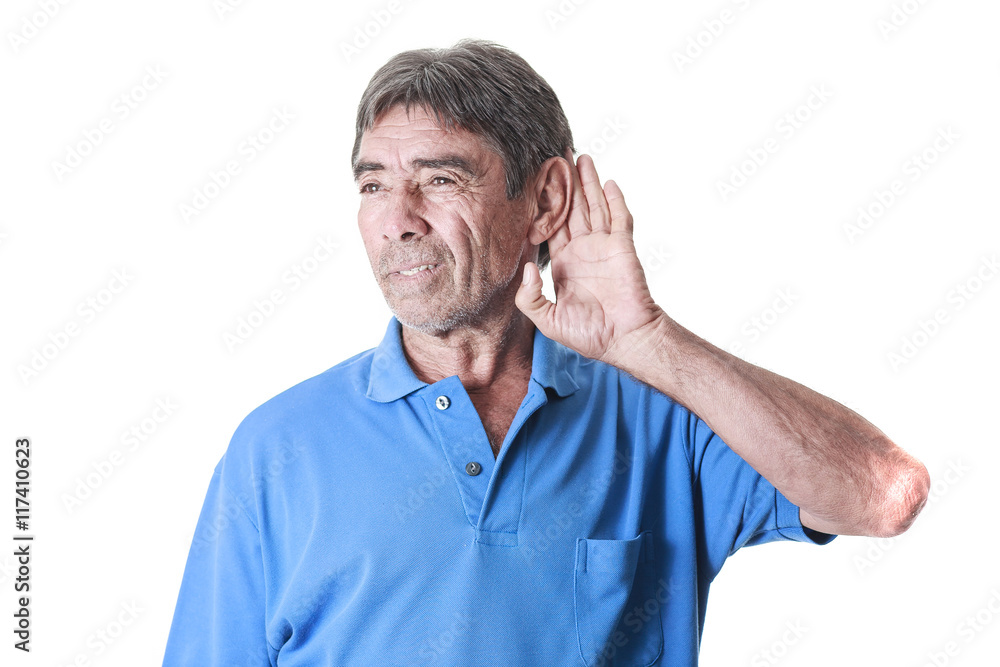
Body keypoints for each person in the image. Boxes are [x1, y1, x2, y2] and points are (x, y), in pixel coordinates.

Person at [162, 39, 930, 666]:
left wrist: (652, 342)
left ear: (546, 200)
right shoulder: (276, 449)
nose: (398, 220)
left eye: (439, 178)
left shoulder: (662, 417)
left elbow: (885, 496)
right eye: (373, 186)